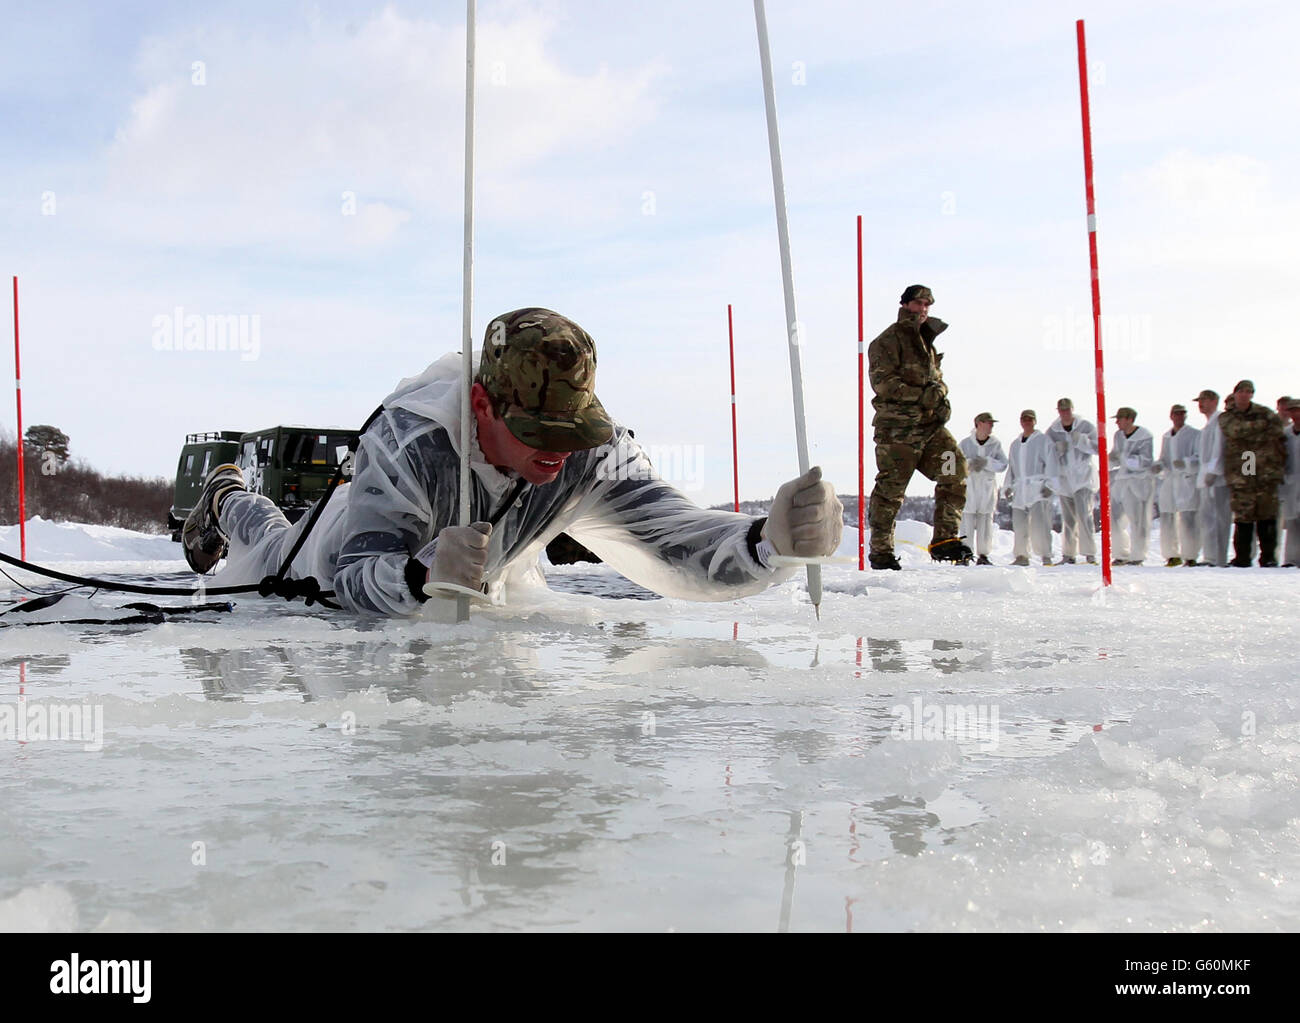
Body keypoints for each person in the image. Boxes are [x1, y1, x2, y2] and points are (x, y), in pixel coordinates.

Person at [181, 308, 844, 615]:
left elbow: (673, 539)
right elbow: (354, 574)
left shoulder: (585, 454)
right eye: (535, 431)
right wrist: (418, 574)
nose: (558, 451)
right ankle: (226, 492)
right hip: (326, 555)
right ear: (482, 405)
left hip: (453, 566)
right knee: (269, 541)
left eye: (573, 429)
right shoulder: (410, 442)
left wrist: (768, 540)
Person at [866, 285, 972, 569]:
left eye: (927, 304)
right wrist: (921, 397)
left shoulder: (927, 341)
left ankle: (944, 541)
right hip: (897, 431)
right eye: (918, 303)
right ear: (905, 304)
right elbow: (883, 383)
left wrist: (940, 399)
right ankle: (881, 552)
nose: (923, 309)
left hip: (929, 430)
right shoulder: (887, 341)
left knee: (954, 469)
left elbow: (936, 381)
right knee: (891, 489)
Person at [1219, 379, 1287, 568]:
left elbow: (1276, 429)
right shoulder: (1227, 416)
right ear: (1235, 394)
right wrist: (1260, 430)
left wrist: (1251, 434)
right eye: (1241, 391)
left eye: (1249, 391)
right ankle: (1242, 558)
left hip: (1265, 472)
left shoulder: (1264, 412)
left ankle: (1268, 557)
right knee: (1243, 517)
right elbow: (1235, 430)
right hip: (1241, 474)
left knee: (1267, 515)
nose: (1245, 394)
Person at [1043, 397, 1099, 564]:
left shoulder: (1086, 427)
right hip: (1064, 479)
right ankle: (1069, 554)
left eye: (1067, 410)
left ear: (1072, 409)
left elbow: (1097, 448)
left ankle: (1089, 554)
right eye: (1062, 410)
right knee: (1068, 519)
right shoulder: (1053, 431)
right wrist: (1057, 451)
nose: (1065, 413)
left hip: (1083, 477)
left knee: (1085, 516)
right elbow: (1048, 455)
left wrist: (1081, 440)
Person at [1002, 409, 1057, 566]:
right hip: (1020, 489)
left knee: (1041, 525)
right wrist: (1008, 486)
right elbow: (1012, 467)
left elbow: (1052, 463)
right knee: (1019, 525)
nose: (1027, 422)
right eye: (1024, 419)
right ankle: (1021, 556)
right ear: (1020, 421)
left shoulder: (1043, 441)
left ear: (1034, 421)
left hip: (1037, 488)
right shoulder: (1015, 444)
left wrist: (1049, 484)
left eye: (1030, 419)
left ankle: (1046, 555)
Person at [957, 412, 1007, 565]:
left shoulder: (995, 444)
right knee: (966, 522)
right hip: (970, 489)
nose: (991, 426)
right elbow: (954, 463)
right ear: (978, 423)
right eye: (988, 422)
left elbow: (1003, 464)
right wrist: (969, 464)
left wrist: (986, 462)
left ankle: (983, 555)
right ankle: (964, 554)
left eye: (992, 423)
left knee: (985, 522)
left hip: (986, 489)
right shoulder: (965, 444)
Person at [1108, 407, 1155, 565]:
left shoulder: (1145, 436)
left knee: (1138, 519)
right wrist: (1110, 460)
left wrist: (1124, 459)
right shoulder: (1118, 436)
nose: (1117, 422)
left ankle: (1138, 555)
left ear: (1129, 419)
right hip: (1122, 481)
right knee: (1114, 516)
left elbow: (1146, 461)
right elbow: (1116, 456)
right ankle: (1121, 552)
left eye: (1120, 419)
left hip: (1139, 481)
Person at [1155, 404, 1200, 566]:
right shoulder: (1167, 436)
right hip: (1170, 480)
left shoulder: (1195, 434)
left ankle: (1190, 555)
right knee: (1167, 516)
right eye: (1176, 414)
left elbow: (1199, 457)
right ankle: (1172, 554)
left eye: (1182, 414)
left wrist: (1186, 464)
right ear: (1171, 416)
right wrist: (1158, 466)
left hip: (1186, 480)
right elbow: (1164, 458)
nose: (1179, 416)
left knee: (1188, 518)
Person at [1193, 388, 1230, 567]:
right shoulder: (1207, 425)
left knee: (1219, 519)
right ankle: (1210, 556)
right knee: (1207, 518)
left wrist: (1214, 471)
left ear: (1215, 401)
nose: (1201, 404)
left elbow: (1220, 448)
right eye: (1200, 400)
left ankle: (1218, 558)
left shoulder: (1220, 421)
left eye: (1205, 400)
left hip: (1217, 478)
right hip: (1205, 477)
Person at [1282, 398, 1300, 567]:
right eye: (1293, 411)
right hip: (1291, 483)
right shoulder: (1285, 434)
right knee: (1292, 523)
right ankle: (1291, 560)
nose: (1296, 414)